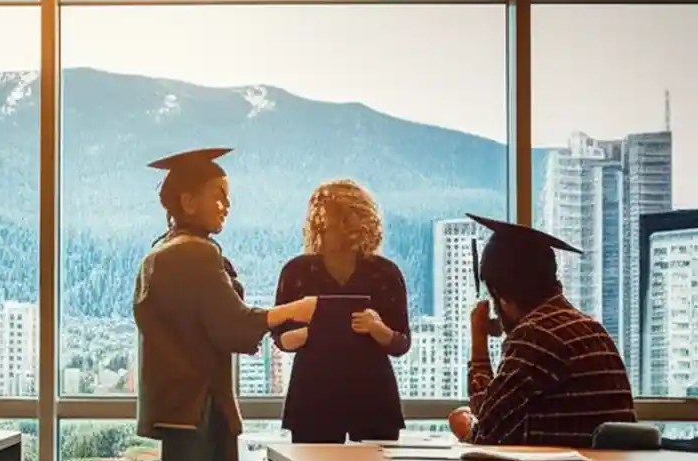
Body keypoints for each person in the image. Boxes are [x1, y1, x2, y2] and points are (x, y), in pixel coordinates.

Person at [134, 147, 315, 461]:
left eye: (228, 199)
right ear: (187, 200)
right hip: (196, 403)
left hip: (187, 401)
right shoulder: (193, 253)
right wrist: (293, 311)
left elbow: (212, 325)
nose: (226, 206)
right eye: (218, 197)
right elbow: (233, 325)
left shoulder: (162, 251)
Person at [448, 214, 636, 446]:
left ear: (501, 296)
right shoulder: (594, 330)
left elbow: (487, 430)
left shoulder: (535, 335)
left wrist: (478, 338)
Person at [271, 179, 410, 444]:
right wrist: (311, 332)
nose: (339, 230)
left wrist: (376, 328)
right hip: (314, 399)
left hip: (372, 400)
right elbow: (280, 336)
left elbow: (401, 342)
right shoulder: (296, 271)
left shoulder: (385, 273)